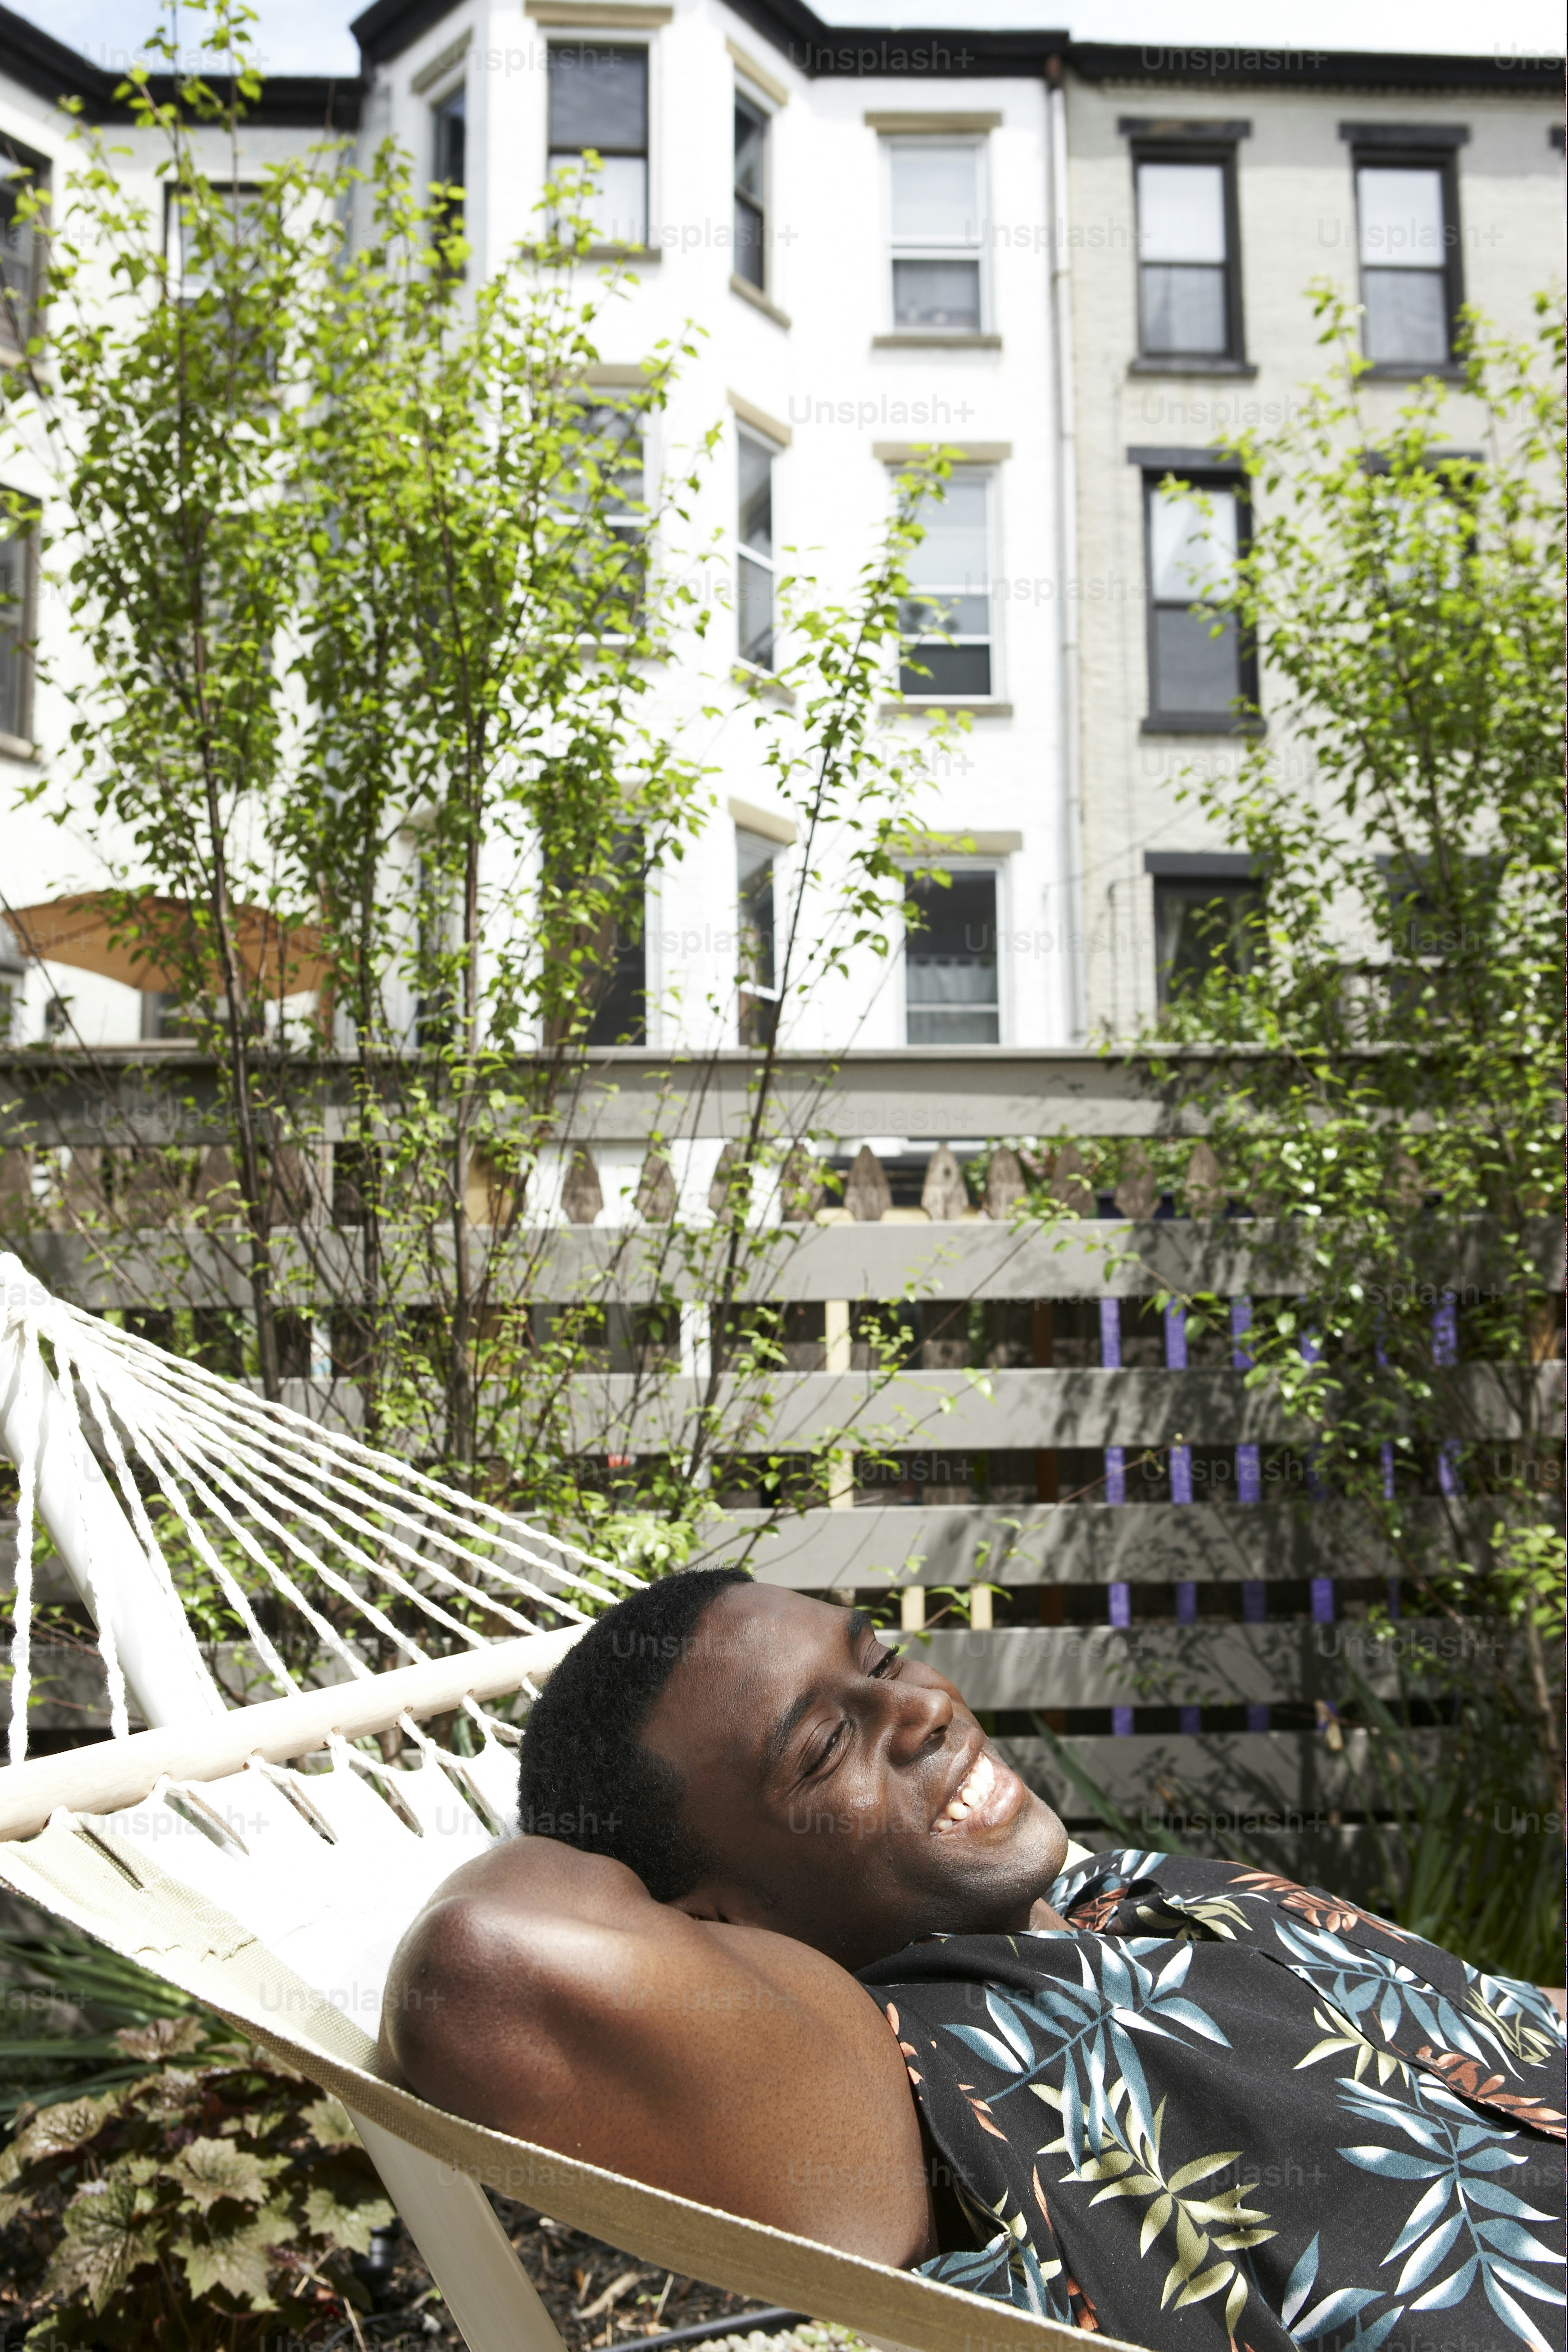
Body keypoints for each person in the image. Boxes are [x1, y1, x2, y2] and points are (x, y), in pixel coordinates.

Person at [381, 1568, 1566, 2349]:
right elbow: (485, 1967)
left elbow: (1500, 2027)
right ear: (718, 1922)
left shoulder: (1123, 1885)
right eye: (824, 1746)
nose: (926, 1707)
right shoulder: (907, 2082)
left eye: (882, 1659)